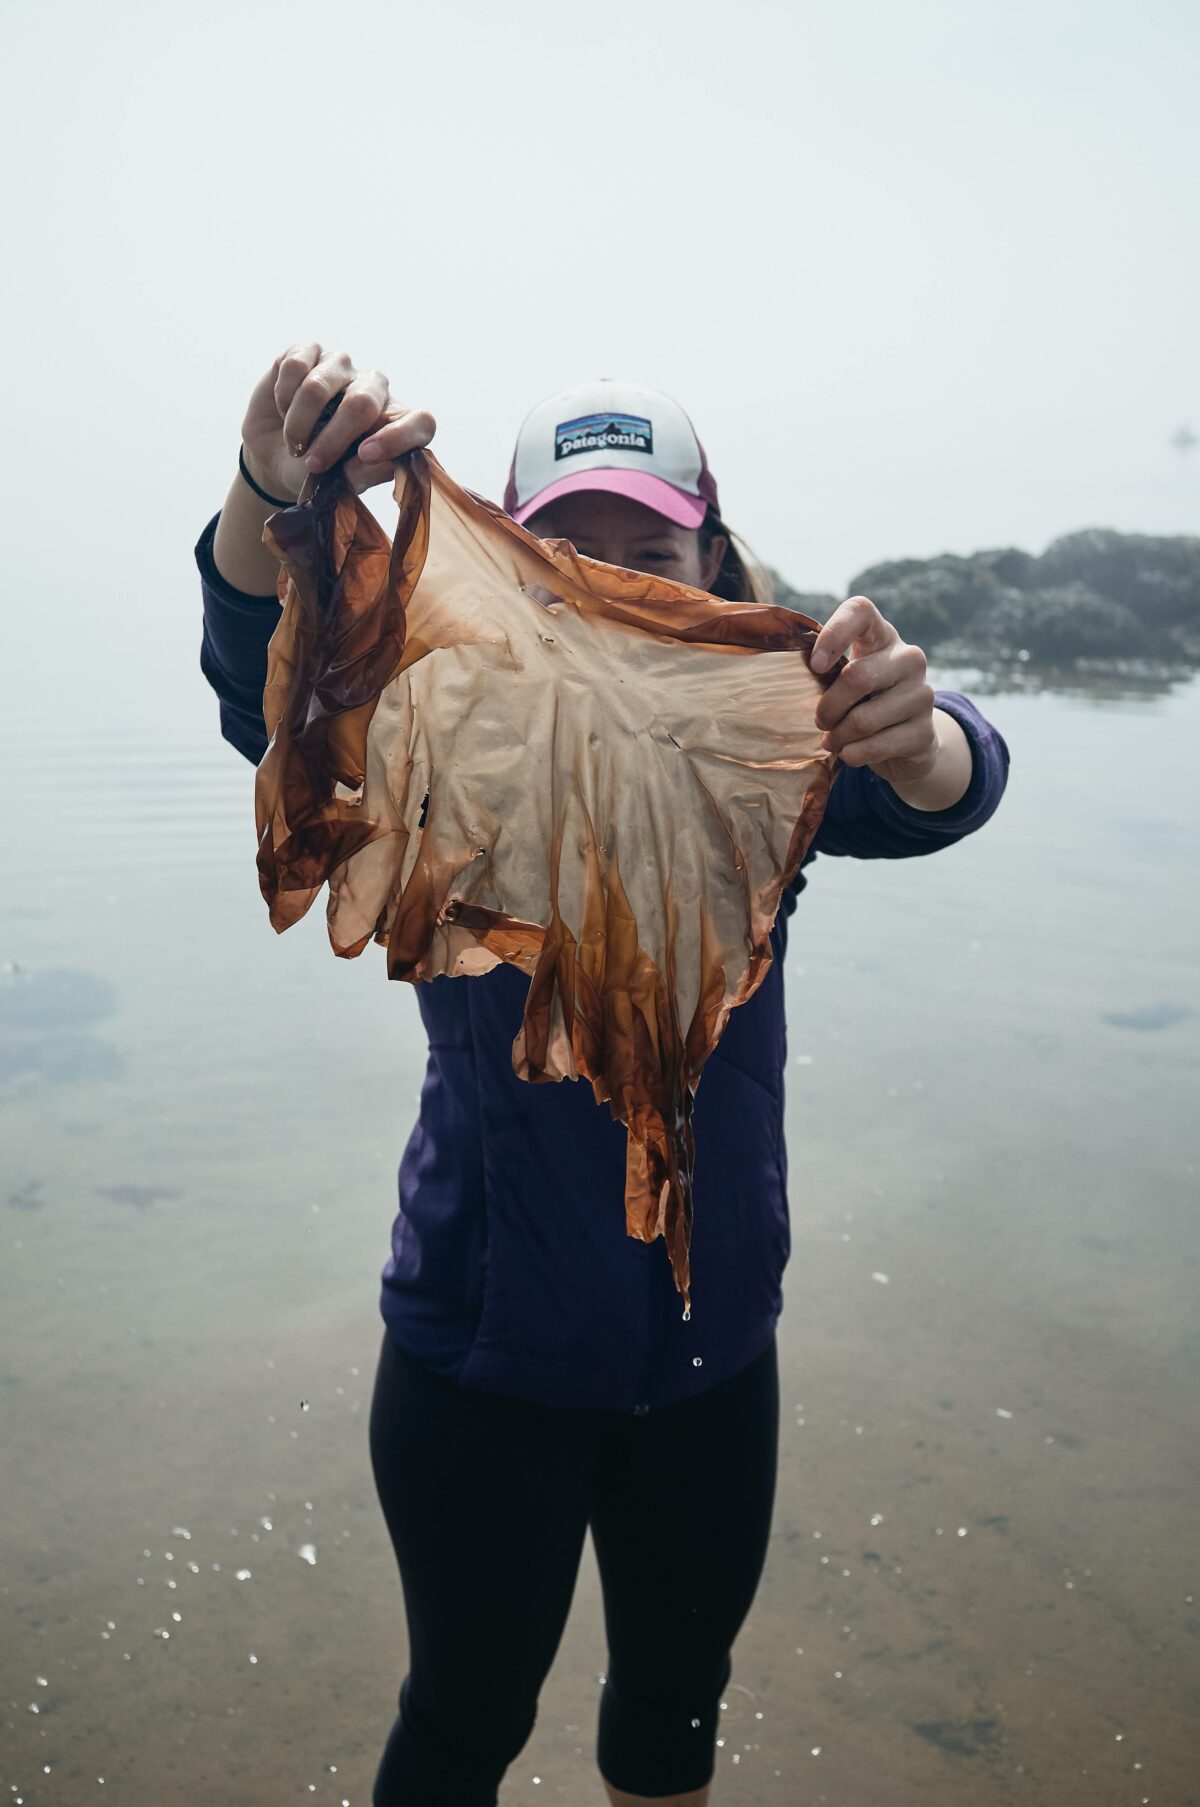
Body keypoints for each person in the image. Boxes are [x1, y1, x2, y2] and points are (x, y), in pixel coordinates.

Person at [195, 344, 1011, 1807]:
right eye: (575, 554)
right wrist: (272, 491)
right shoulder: (433, 724)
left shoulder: (770, 746)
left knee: (672, 1717)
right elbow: (257, 659)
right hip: (480, 1361)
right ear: (507, 562)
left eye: (653, 549)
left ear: (709, 554)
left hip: (713, 1358)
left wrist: (927, 734)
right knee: (462, 1727)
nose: (620, 581)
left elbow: (945, 784)